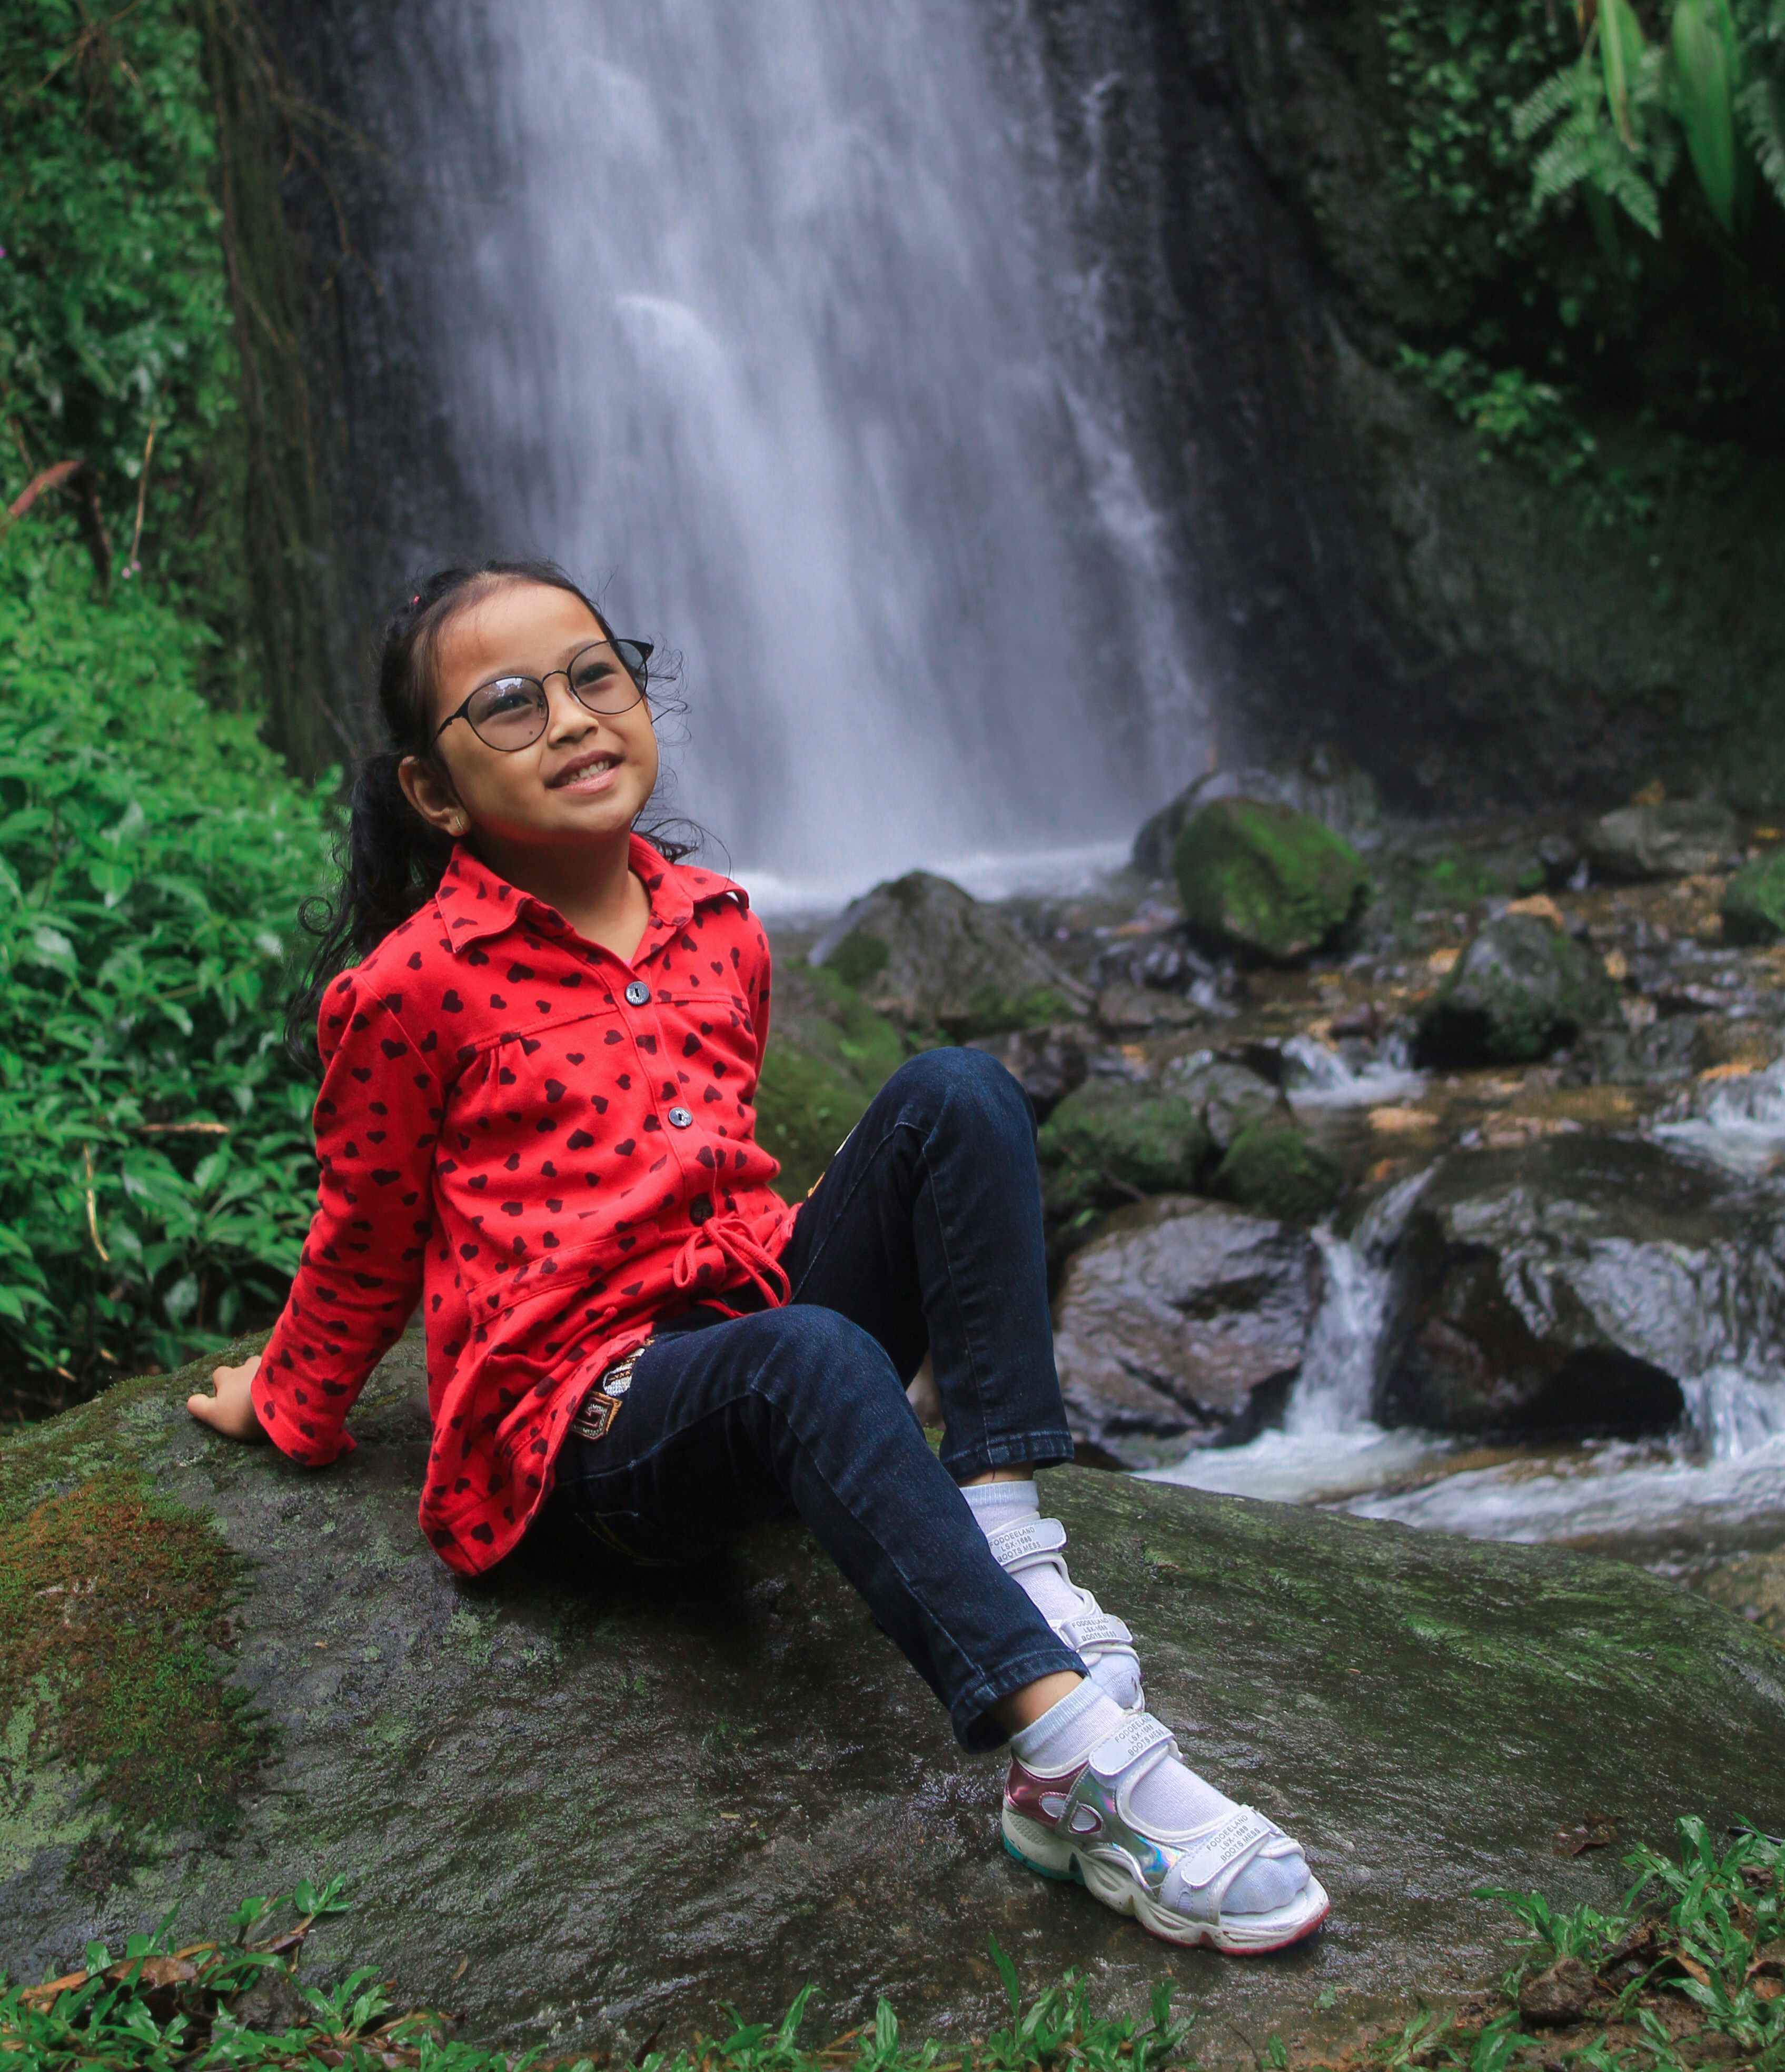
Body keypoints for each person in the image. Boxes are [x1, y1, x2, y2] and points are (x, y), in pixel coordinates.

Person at [189, 559, 1328, 1956]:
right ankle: (1074, 1762)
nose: (569, 718)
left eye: (594, 676)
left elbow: (726, 1171)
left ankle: (1010, 1547)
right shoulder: (408, 991)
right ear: (434, 791)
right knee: (813, 1357)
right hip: (592, 1420)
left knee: (960, 1093)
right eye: (508, 703)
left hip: (756, 1326)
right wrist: (289, 1401)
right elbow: (363, 1231)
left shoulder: (716, 922)